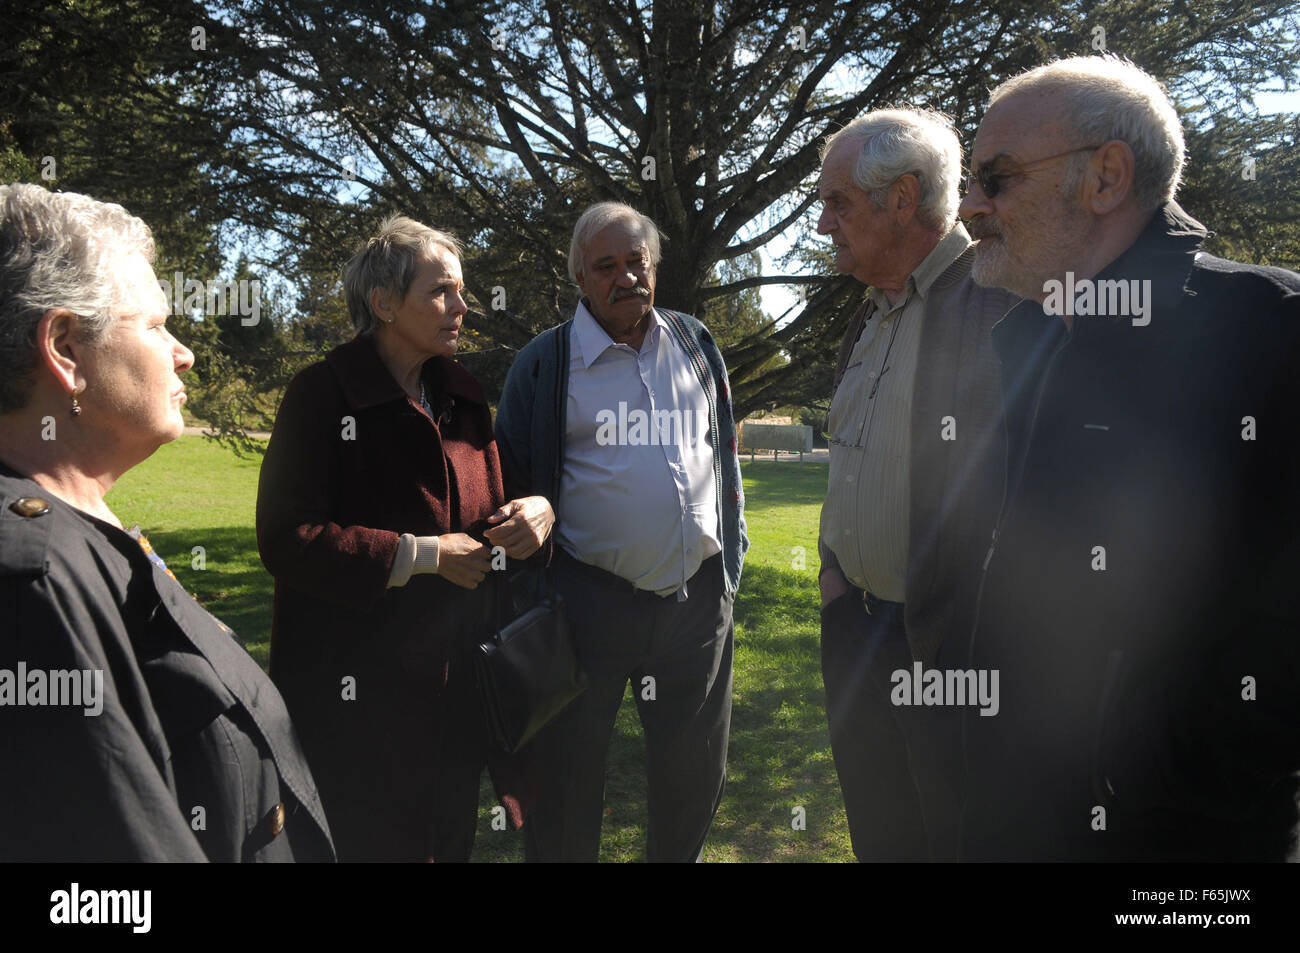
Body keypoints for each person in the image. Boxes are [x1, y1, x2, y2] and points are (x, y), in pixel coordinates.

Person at [958, 55, 1300, 861]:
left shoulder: (1274, 330)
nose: (968, 206)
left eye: (995, 179)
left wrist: (1165, 763)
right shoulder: (1030, 338)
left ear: (1106, 177)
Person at [0, 182, 333, 861]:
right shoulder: (32, 580)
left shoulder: (77, 530)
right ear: (64, 346)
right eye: (155, 325)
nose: (182, 351)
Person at [256, 215, 552, 861]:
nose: (462, 307)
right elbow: (287, 537)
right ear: (384, 303)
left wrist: (537, 516)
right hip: (354, 709)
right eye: (441, 290)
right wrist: (421, 556)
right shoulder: (321, 396)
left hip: (456, 705)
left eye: (463, 290)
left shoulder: (465, 398)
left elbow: (495, 520)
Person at [495, 201, 747, 862]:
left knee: (693, 778)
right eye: (606, 266)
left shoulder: (696, 343)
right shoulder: (545, 365)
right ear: (580, 278)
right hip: (586, 606)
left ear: (653, 266)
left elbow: (722, 458)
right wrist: (533, 519)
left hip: (696, 607)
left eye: (636, 261)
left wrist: (729, 567)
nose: (625, 277)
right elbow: (509, 480)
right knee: (566, 782)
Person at [814, 109, 1018, 861]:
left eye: (838, 201)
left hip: (947, 657)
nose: (824, 220)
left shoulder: (1003, 303)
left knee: (958, 840)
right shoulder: (871, 312)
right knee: (882, 837)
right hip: (856, 637)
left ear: (901, 199)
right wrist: (837, 586)